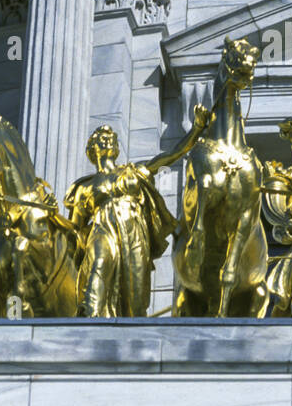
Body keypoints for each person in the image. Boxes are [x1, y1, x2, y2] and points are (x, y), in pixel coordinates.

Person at [65, 110, 209, 317]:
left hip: (134, 232)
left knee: (136, 293)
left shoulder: (132, 171)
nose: (108, 140)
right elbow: (74, 229)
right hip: (102, 229)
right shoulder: (83, 187)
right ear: (92, 149)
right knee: (99, 264)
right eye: (102, 138)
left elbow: (170, 156)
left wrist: (196, 128)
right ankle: (90, 317)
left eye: (111, 138)